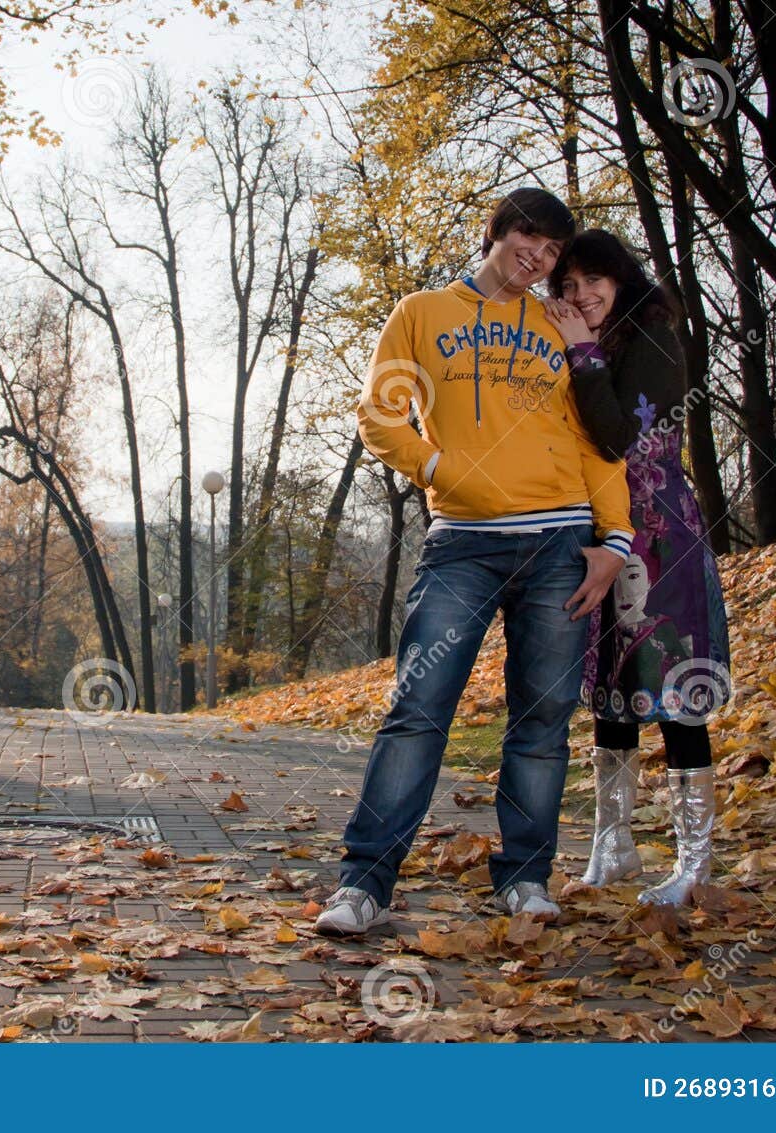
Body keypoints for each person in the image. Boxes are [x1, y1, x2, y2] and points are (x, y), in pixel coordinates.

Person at [316, 189, 632, 939]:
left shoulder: (560, 324)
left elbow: (596, 438)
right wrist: (441, 470)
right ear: (495, 232)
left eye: (555, 250)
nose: (540, 255)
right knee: (418, 710)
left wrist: (615, 540)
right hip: (463, 541)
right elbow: (379, 414)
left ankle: (525, 879)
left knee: (543, 719)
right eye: (530, 235)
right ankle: (364, 885)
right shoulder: (422, 313)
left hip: (559, 541)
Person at [541, 229, 733, 907]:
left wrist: (582, 352)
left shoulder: (652, 337)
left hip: (661, 539)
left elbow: (620, 435)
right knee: (612, 694)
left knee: (677, 691)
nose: (581, 295)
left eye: (594, 280)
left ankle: (694, 864)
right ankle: (613, 846)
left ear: (621, 280)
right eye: (567, 286)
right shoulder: (584, 346)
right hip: (601, 538)